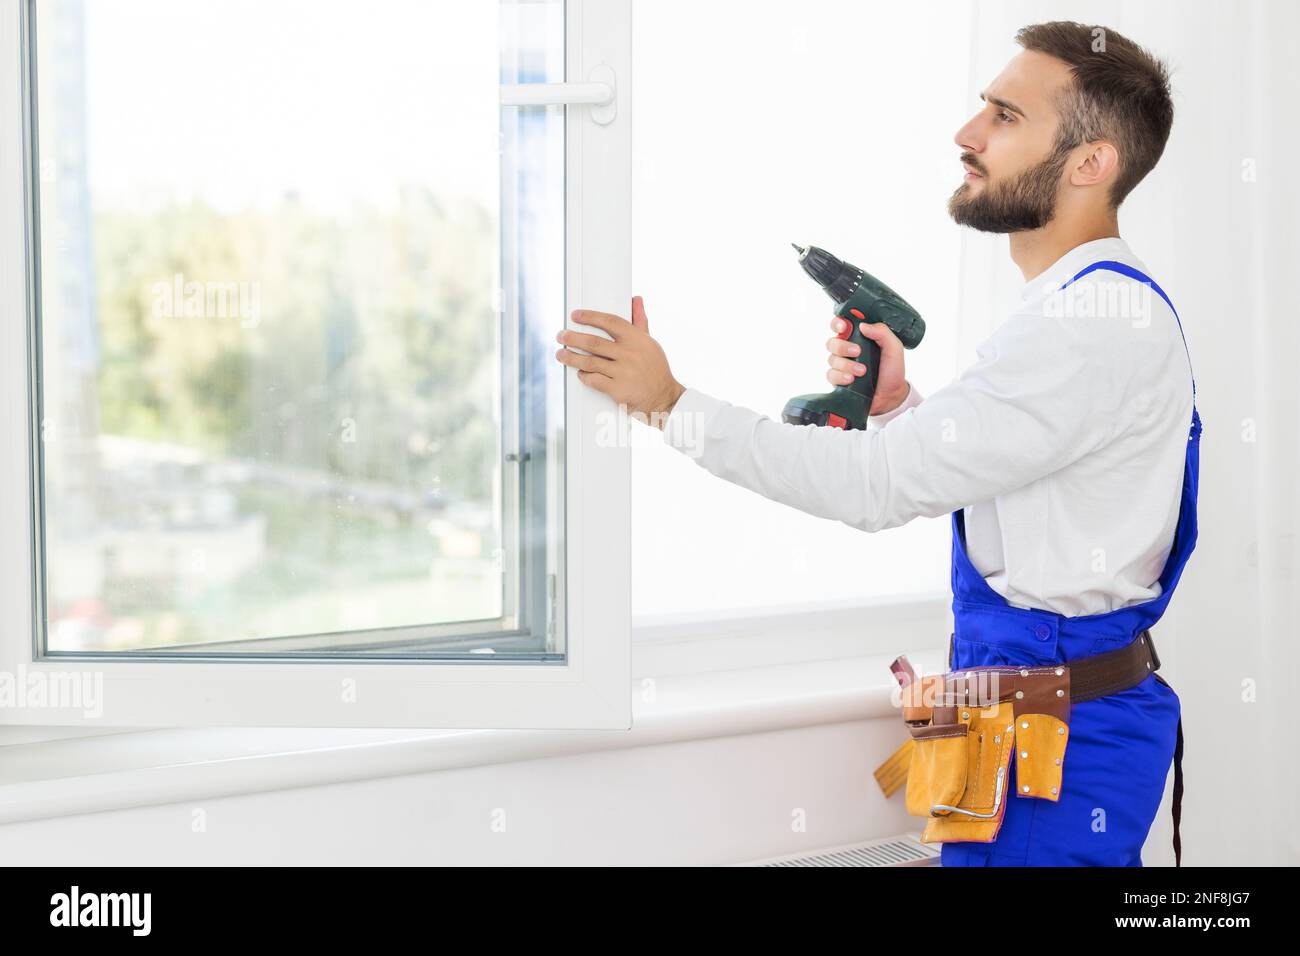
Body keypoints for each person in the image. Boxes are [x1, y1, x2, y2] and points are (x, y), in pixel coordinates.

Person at [553, 20, 1195, 867]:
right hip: (1024, 720)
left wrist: (670, 405)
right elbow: (1027, 500)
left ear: (1090, 163)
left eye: (1004, 117)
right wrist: (898, 408)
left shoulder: (1087, 326)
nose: (968, 136)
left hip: (1054, 742)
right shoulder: (1081, 309)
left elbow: (874, 489)